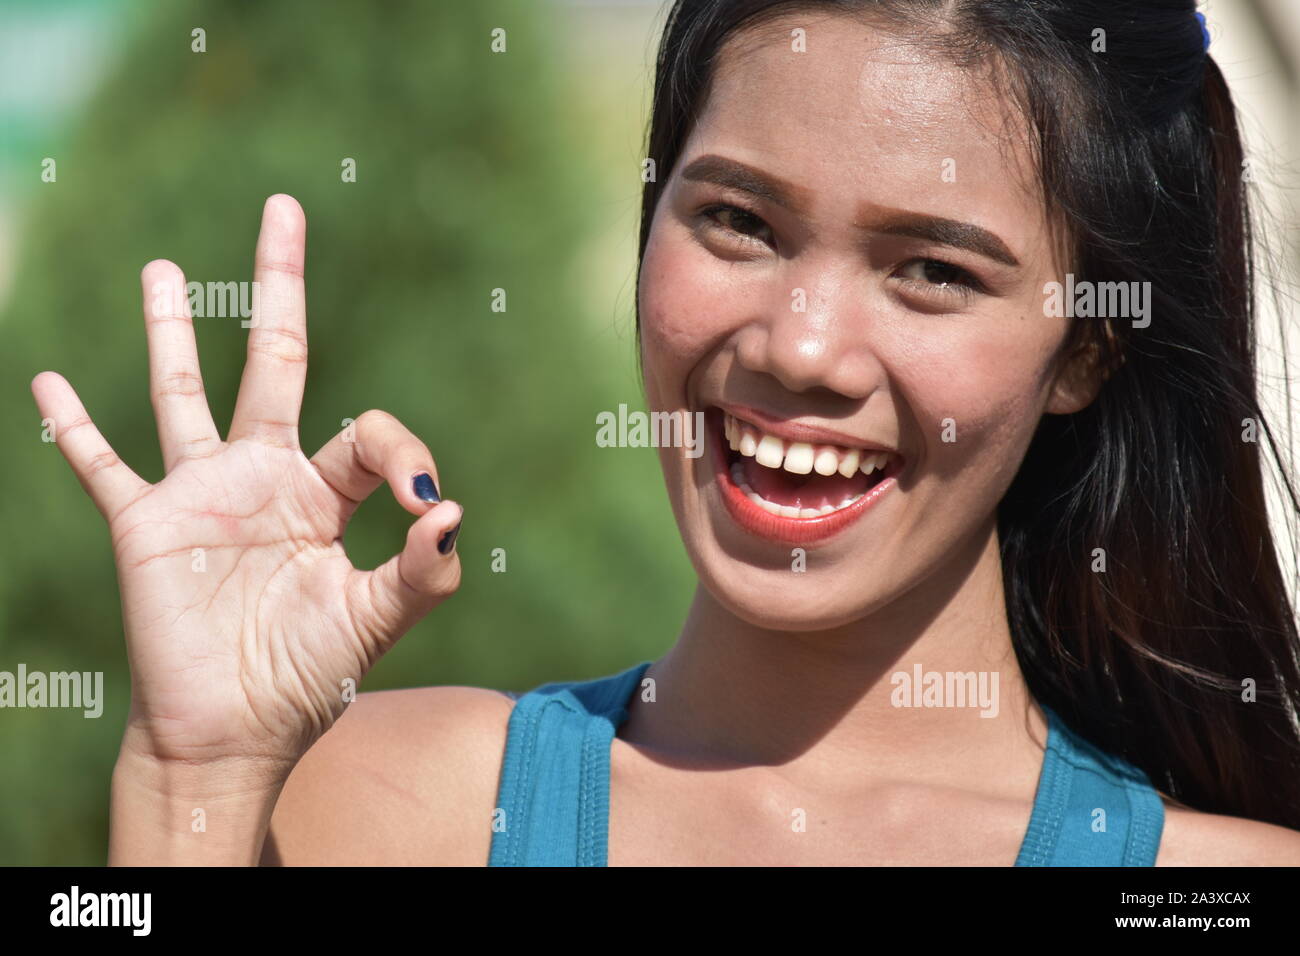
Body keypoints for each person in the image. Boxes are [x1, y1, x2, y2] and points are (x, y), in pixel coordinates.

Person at [32, 0, 1300, 865]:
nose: (798, 347)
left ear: (1083, 346)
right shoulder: (383, 806)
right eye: (739, 221)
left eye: (931, 271)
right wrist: (191, 782)